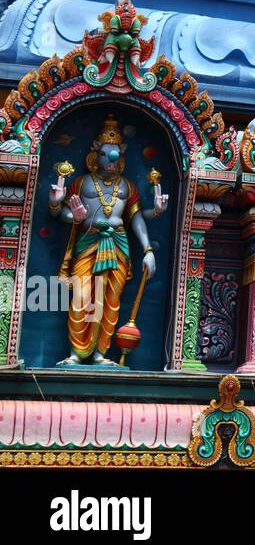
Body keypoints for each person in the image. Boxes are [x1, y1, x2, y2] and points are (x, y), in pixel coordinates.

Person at [48, 115, 167, 365]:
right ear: (95, 154)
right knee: (82, 297)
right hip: (89, 242)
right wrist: (62, 206)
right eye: (105, 154)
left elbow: (136, 218)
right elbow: (60, 214)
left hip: (118, 245)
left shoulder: (128, 187)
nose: (110, 161)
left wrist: (149, 241)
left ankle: (101, 354)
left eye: (115, 155)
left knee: (111, 301)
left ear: (121, 156)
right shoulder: (81, 183)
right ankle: (76, 353)